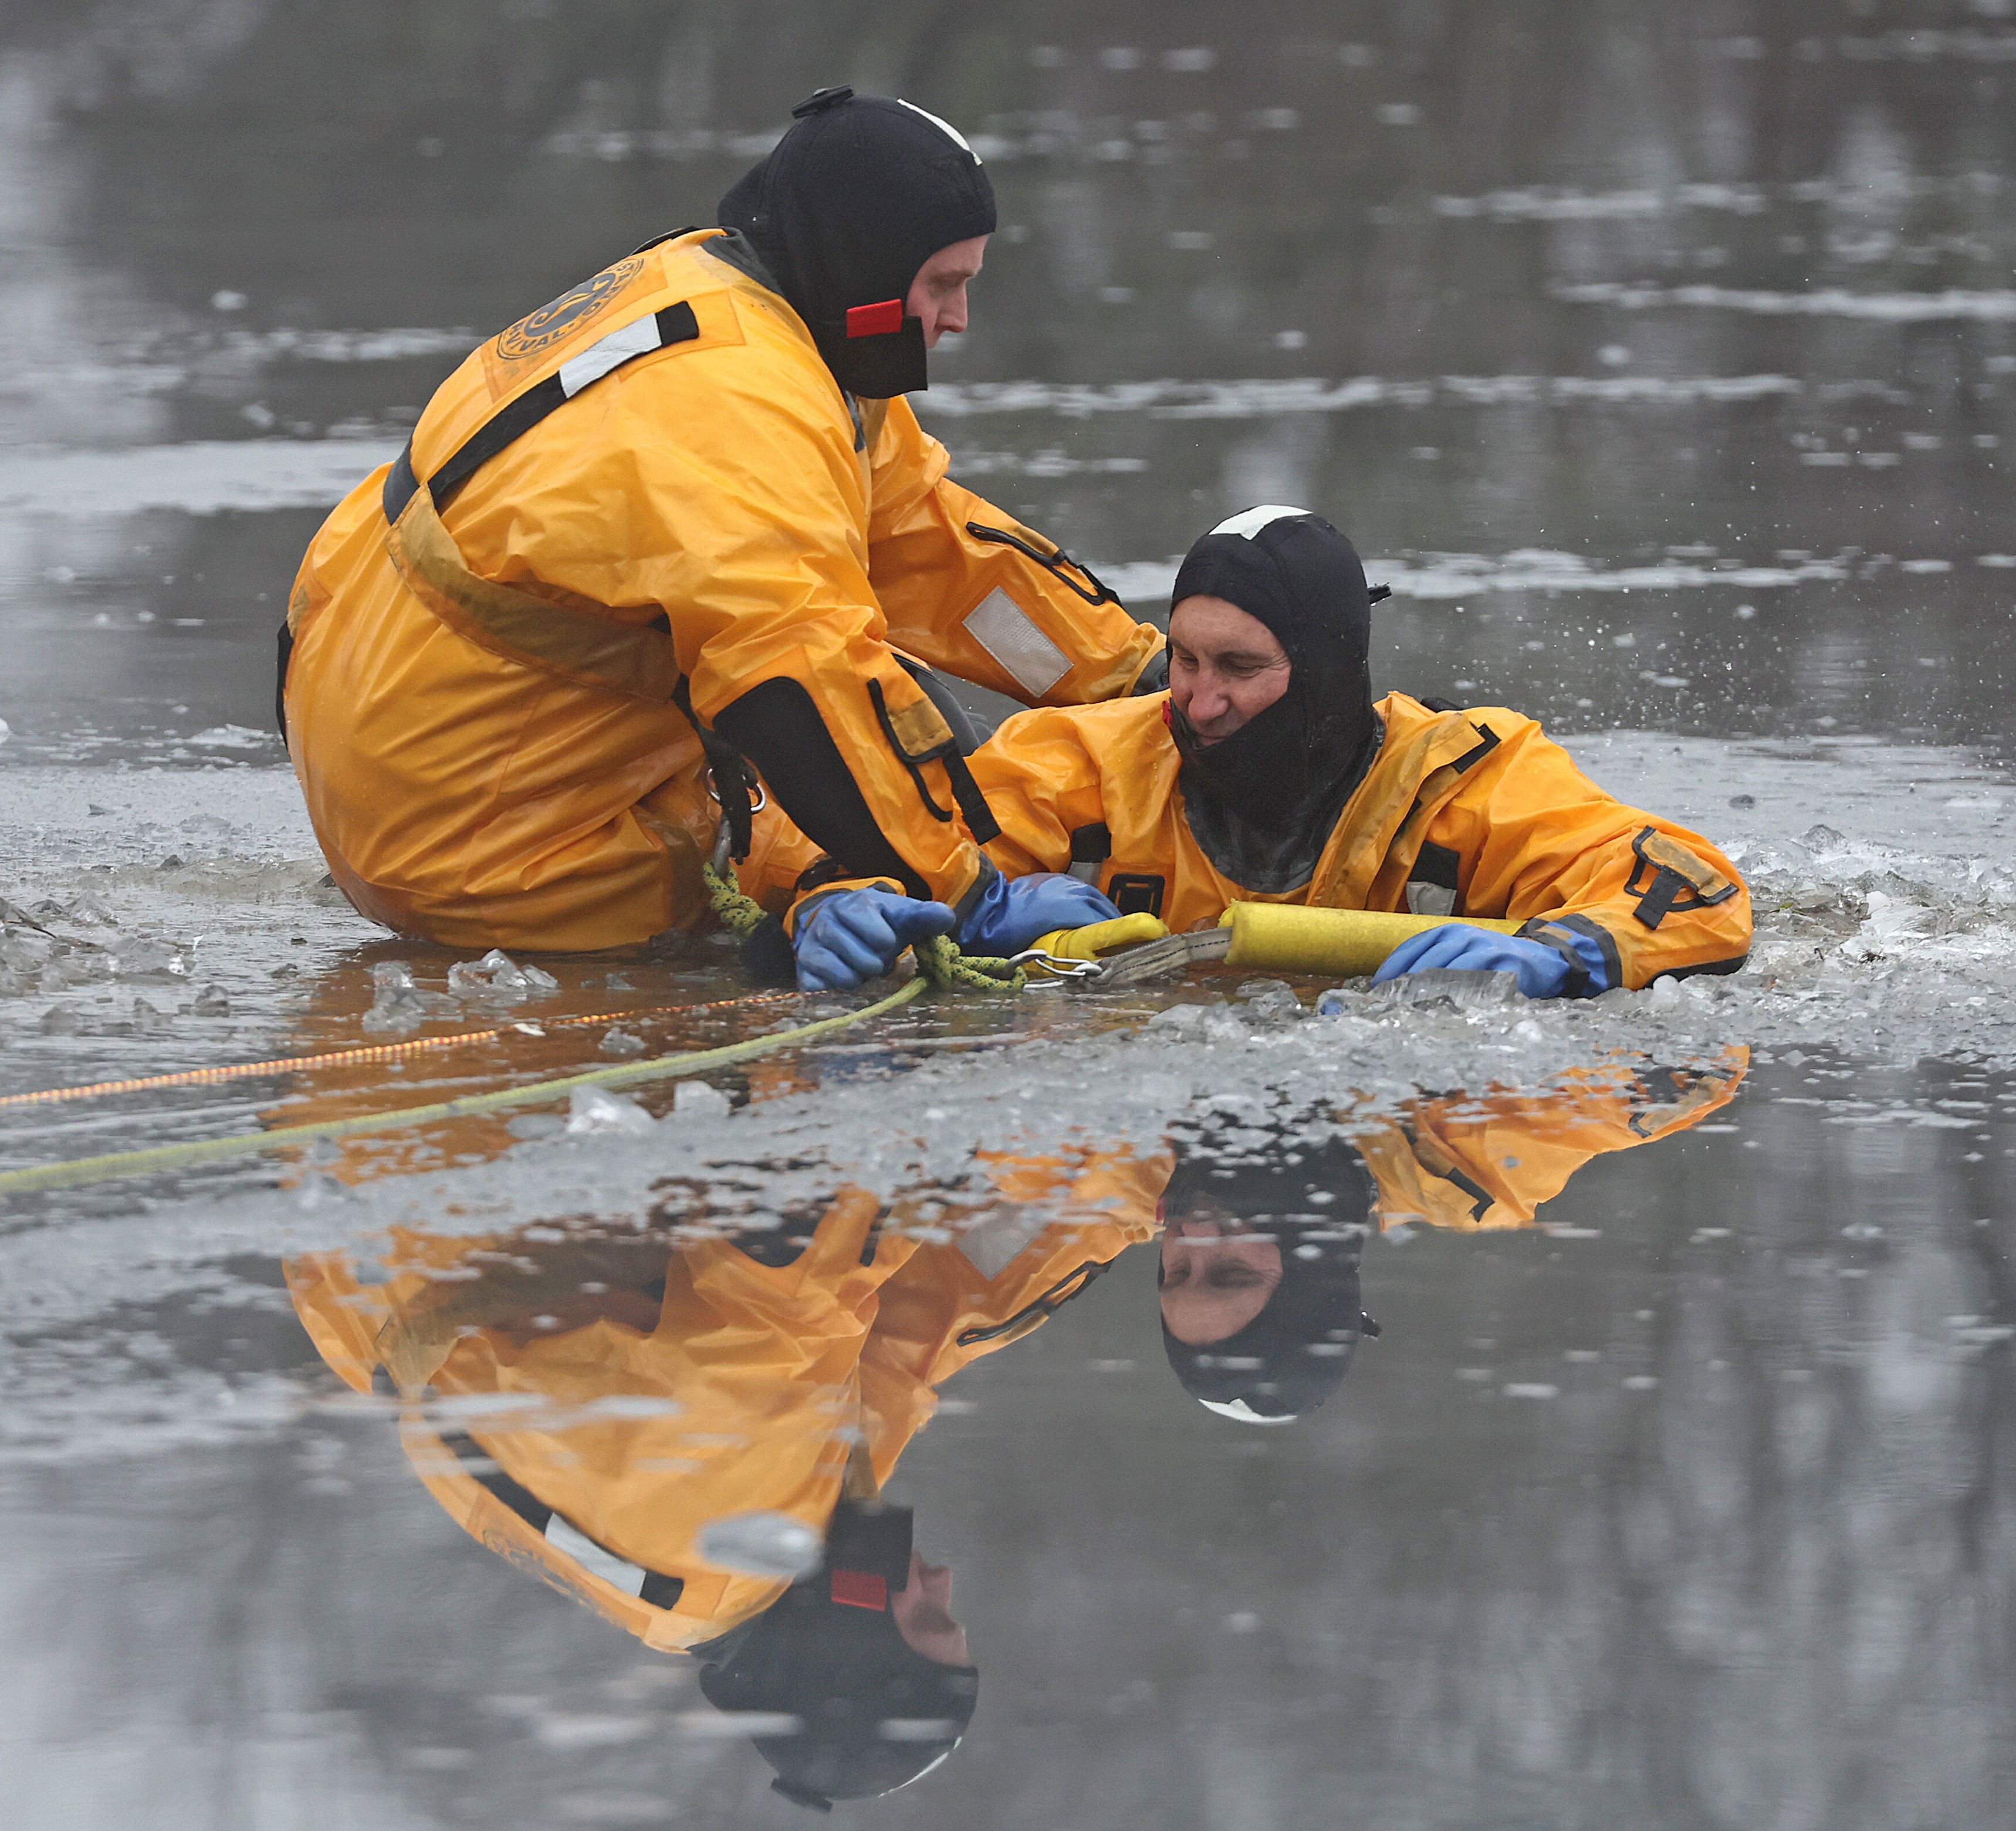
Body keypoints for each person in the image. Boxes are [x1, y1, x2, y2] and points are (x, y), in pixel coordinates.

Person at [276, 86, 1159, 980]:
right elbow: (795, 677)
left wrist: (1138, 675)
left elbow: (926, 548)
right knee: (864, 746)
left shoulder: (742, 300)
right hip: (474, 830)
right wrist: (968, 895)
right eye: (943, 285)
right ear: (865, 263)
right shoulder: (742, 406)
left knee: (888, 723)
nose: (958, 318)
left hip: (383, 689)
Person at [285, 1143, 1160, 1807]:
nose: (944, 1578)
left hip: (426, 1157)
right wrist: (1138, 1183)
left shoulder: (727, 1522)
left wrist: (904, 1062)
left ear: (851, 1640)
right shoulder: (746, 1574)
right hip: (366, 1250)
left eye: (927, 1615)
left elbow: (805, 1203)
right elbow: (909, 1343)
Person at [968, 505, 1753, 994]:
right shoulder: (1082, 762)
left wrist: (1561, 954)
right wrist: (968, 908)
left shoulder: (1461, 781)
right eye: (1186, 659)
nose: (1201, 703)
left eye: (1240, 668)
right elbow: (912, 862)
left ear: (1326, 676)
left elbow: (1697, 891)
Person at [1158, 1050, 1747, 1423]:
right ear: (1312, 1275)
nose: (1191, 1234)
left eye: (1176, 1271)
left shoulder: (1142, 1157)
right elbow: (1700, 1063)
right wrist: (1575, 955)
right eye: (1229, 1272)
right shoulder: (1470, 1159)